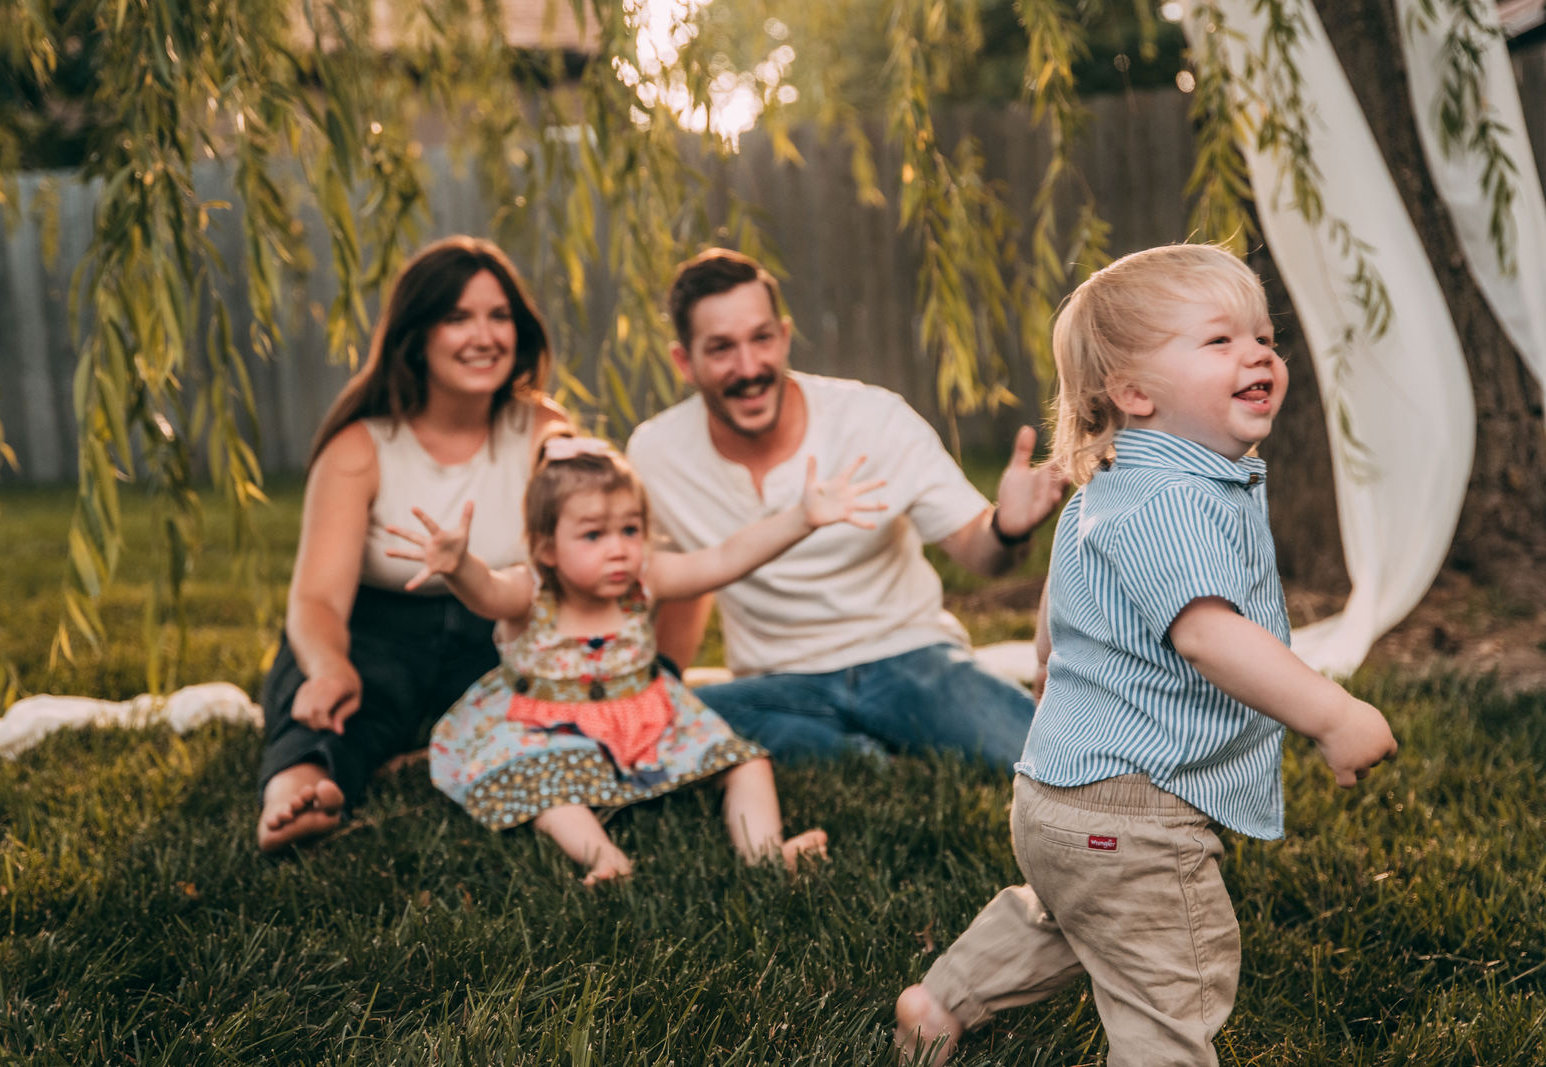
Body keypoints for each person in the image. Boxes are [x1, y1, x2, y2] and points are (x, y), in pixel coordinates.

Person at [893, 243, 1399, 1065]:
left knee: (1072, 914)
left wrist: (1051, 667)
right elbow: (1207, 633)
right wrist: (1333, 713)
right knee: (1172, 977)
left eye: (1263, 337)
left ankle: (941, 1003)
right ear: (1133, 391)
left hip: (1057, 798)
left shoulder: (1115, 483)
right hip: (1136, 816)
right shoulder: (1171, 498)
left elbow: (1059, 615)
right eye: (1219, 340)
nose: (1258, 354)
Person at [625, 248, 1067, 770]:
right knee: (651, 732)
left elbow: (978, 551)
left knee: (1046, 756)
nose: (749, 367)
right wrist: (664, 686)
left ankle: (845, 750)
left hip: (909, 660)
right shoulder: (655, 454)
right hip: (776, 682)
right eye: (721, 348)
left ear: (784, 336)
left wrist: (1008, 529)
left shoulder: (872, 419)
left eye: (761, 339)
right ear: (685, 362)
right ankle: (852, 753)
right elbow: (678, 585)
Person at [395, 434, 882, 885]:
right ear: (547, 549)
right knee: (548, 789)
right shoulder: (532, 593)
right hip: (546, 725)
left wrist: (802, 517)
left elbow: (725, 558)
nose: (619, 551)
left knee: (746, 763)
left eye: (630, 529)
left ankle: (767, 854)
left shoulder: (646, 580)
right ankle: (603, 856)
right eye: (593, 535)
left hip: (649, 716)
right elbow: (487, 593)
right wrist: (460, 566)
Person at [256, 236, 568, 852]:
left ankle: (439, 750)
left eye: (499, 315)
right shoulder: (360, 448)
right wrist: (329, 665)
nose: (485, 336)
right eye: (458, 318)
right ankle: (301, 789)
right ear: (416, 336)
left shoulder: (543, 433)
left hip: (498, 622)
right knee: (335, 703)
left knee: (540, 709)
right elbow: (317, 598)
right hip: (377, 626)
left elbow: (578, 552)